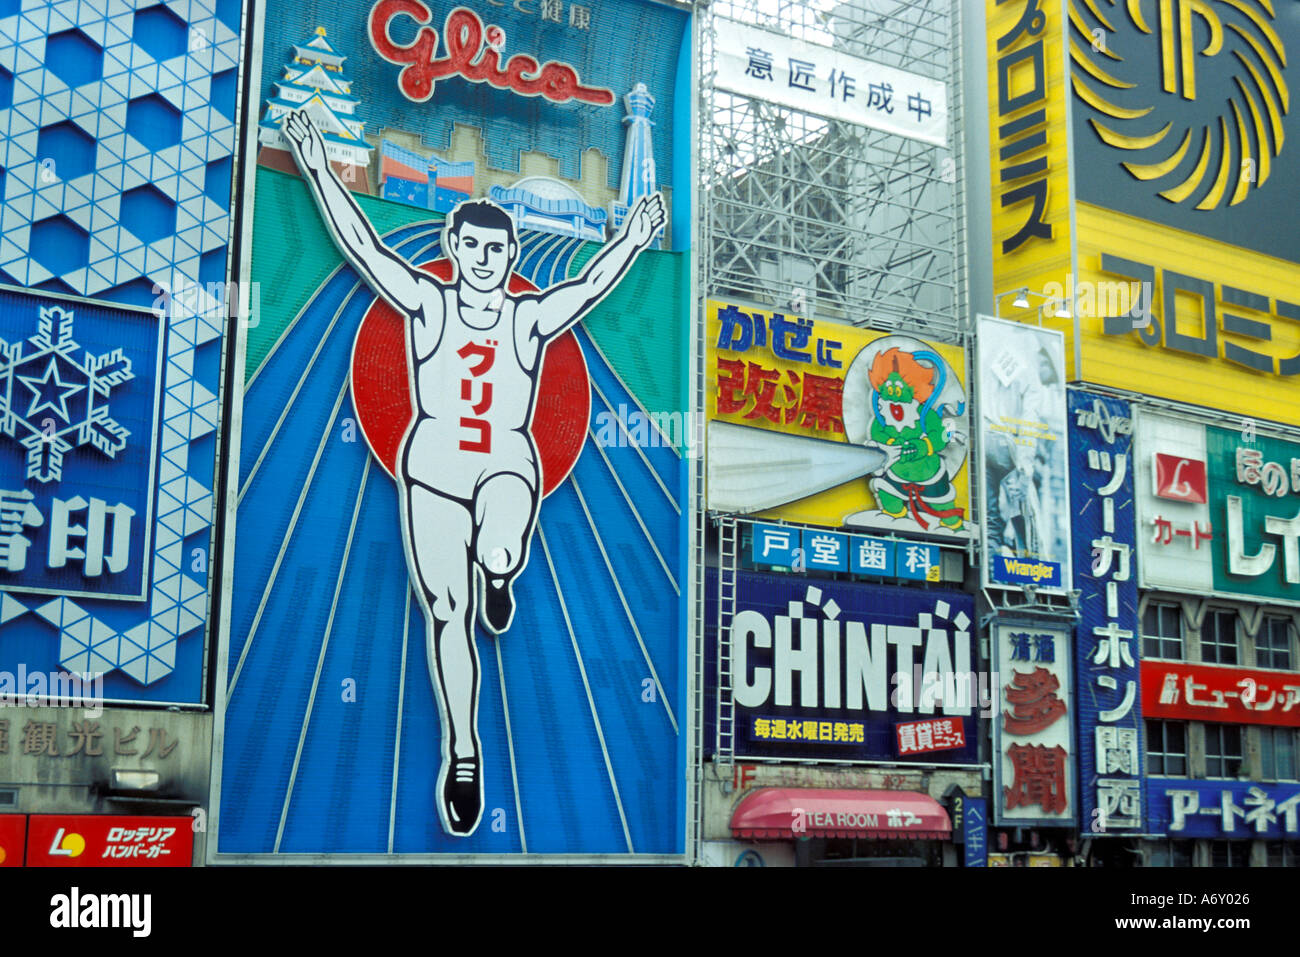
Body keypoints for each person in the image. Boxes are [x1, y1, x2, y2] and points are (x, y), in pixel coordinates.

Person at [281, 109, 665, 836]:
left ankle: (500, 570)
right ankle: (464, 749)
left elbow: (583, 289)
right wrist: (316, 164)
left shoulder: (525, 319)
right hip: (431, 471)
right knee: (447, 616)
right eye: (474, 245)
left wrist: (633, 240)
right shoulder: (428, 304)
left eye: (498, 246)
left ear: (510, 250)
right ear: (455, 248)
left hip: (504, 466)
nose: (486, 257)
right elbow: (363, 247)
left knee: (498, 540)